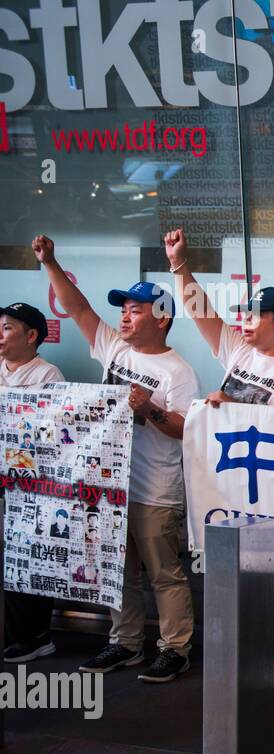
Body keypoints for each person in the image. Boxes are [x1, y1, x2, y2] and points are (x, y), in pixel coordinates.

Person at [33, 234, 199, 683]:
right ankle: (124, 643)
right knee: (116, 570)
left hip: (156, 488)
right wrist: (51, 263)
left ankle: (174, 648)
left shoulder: (178, 371)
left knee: (164, 573)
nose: (125, 316)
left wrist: (148, 409)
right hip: (109, 485)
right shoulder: (114, 348)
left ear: (162, 318)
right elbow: (80, 309)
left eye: (136, 309)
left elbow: (186, 428)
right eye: (124, 309)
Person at [167, 227, 274, 688]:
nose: (245, 323)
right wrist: (180, 265)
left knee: (273, 571)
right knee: (236, 568)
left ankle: (273, 656)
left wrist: (232, 408)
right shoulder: (239, 353)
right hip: (231, 481)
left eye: (257, 316)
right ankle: (239, 648)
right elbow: (202, 315)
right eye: (245, 315)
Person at [1, 302, 64, 663]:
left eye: (8, 328)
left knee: (28, 561)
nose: (1, 335)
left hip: (31, 485)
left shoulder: (47, 375)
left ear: (31, 336)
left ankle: (35, 636)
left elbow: (49, 434)